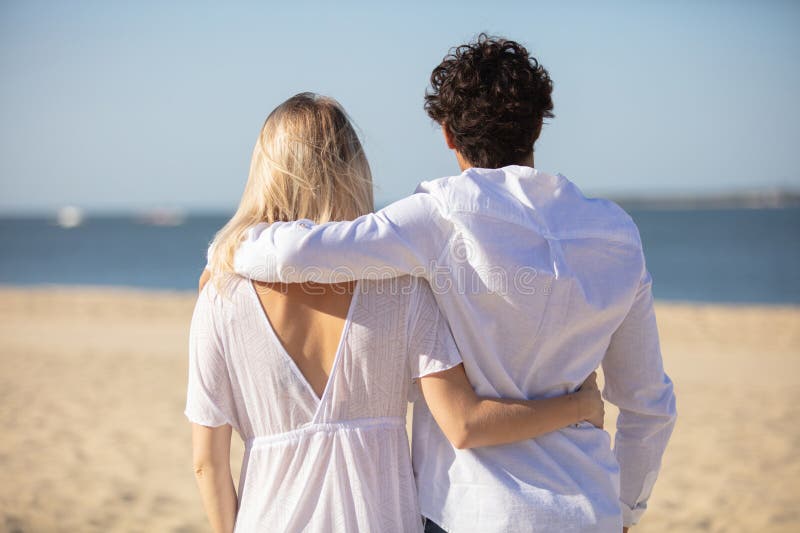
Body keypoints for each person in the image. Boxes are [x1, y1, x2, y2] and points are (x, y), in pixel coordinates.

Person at [227, 35, 677, 532]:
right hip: (589, 509)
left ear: (447, 134)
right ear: (536, 127)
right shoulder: (615, 234)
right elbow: (648, 404)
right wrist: (626, 510)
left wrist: (228, 249)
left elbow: (299, 252)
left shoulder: (440, 215)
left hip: (475, 512)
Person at [186, 92, 606, 533]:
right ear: (353, 168)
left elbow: (207, 462)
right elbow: (464, 422)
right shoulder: (402, 288)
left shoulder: (220, 296)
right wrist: (578, 404)